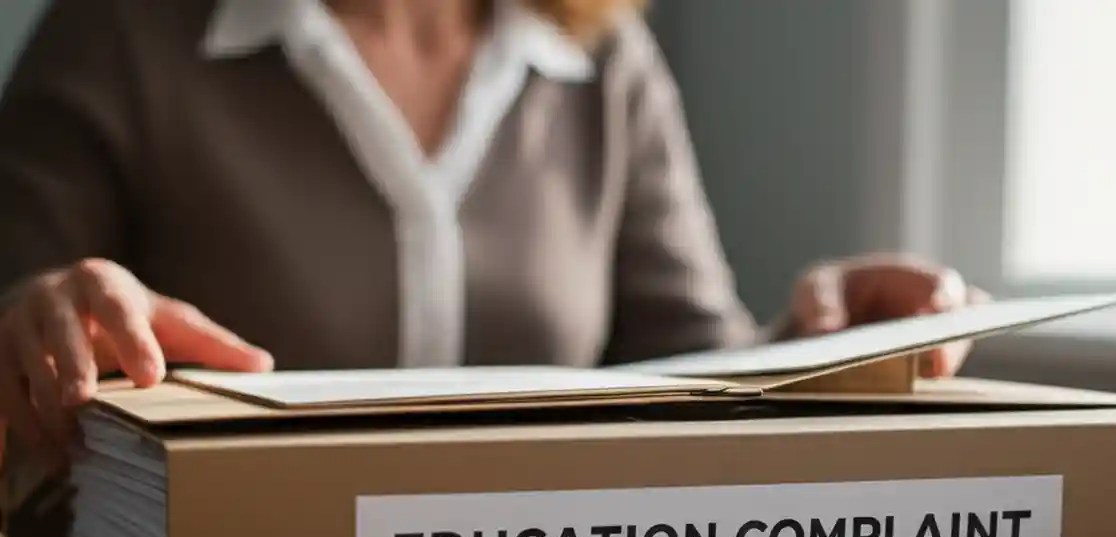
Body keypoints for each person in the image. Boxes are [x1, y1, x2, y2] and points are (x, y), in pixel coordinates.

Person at [0, 0, 984, 459]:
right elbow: (26, 326)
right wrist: (36, 315)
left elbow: (691, 364)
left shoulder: (606, 64)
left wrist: (832, 337)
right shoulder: (115, 34)